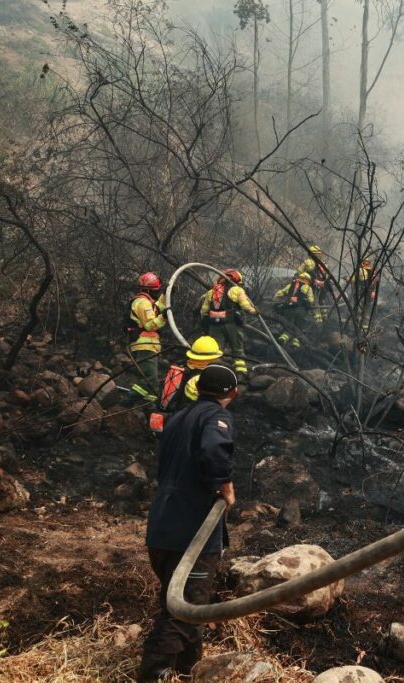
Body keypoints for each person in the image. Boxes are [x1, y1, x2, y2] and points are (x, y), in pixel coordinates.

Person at [138, 364, 239, 683]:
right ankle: (152, 675)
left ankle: (188, 671)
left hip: (162, 526)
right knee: (184, 610)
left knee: (184, 603)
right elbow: (213, 449)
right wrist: (225, 485)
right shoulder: (217, 417)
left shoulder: (178, 418)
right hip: (192, 530)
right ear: (233, 393)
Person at [148, 336, 224, 433]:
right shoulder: (202, 379)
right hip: (188, 425)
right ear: (213, 358)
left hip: (169, 419)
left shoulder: (178, 369)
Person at [199, 268, 258, 377]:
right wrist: (255, 311)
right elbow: (246, 306)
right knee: (238, 350)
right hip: (232, 325)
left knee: (216, 350)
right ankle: (241, 373)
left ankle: (213, 373)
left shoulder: (212, 292)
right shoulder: (236, 290)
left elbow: (203, 311)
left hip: (214, 326)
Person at [126, 272, 167, 401]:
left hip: (148, 345)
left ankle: (150, 405)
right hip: (144, 345)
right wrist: (163, 317)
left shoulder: (146, 302)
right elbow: (150, 326)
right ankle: (129, 399)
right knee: (150, 378)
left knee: (150, 380)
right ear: (149, 290)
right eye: (156, 290)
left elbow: (158, 307)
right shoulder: (143, 303)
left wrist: (166, 295)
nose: (157, 292)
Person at [273, 271, 321, 349]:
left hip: (288, 309)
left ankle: (282, 339)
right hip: (301, 311)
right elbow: (311, 300)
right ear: (307, 280)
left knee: (288, 326)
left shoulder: (291, 285)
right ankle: (295, 345)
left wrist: (275, 300)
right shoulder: (308, 288)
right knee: (299, 328)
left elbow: (280, 293)